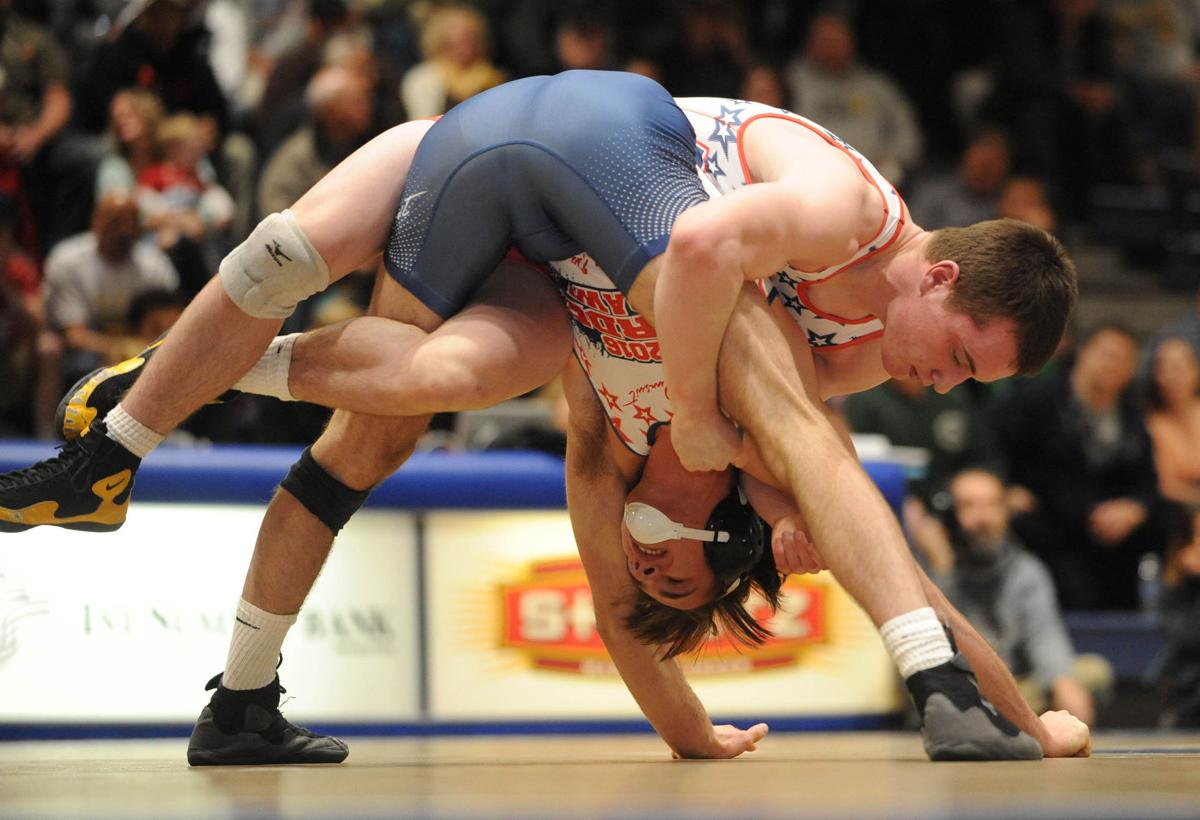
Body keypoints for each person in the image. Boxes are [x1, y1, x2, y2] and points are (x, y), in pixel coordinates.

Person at [0, 72, 1086, 762]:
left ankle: (153, 459)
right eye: (952, 362)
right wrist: (1018, 715)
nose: (937, 386)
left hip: (519, 216)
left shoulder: (609, 423)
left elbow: (621, 617)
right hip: (624, 154)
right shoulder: (829, 245)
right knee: (760, 383)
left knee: (401, 388)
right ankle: (936, 688)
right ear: (733, 511)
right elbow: (827, 471)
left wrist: (698, 736)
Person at [910, 468, 1113, 726]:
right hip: (951, 690)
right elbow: (933, 651)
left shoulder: (1026, 571)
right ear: (947, 514)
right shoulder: (926, 568)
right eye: (968, 506)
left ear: (1006, 512)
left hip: (1013, 685)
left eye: (991, 505)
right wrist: (943, 569)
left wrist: (1063, 682)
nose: (982, 519)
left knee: (1091, 671)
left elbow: (1046, 636)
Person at [991, 323, 1163, 610]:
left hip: (1110, 527)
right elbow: (992, 442)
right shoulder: (1038, 400)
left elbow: (1148, 479)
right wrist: (1003, 488)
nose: (1113, 364)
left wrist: (1135, 508)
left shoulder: (1131, 416)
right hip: (1049, 521)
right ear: (1083, 352)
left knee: (1164, 521)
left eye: (1123, 359)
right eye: (1107, 354)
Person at [1145, 336, 1200, 508]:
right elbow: (1164, 486)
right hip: (1178, 512)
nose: (1172, 376)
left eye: (1179, 367)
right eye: (1164, 368)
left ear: (1196, 371)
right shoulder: (1149, 423)